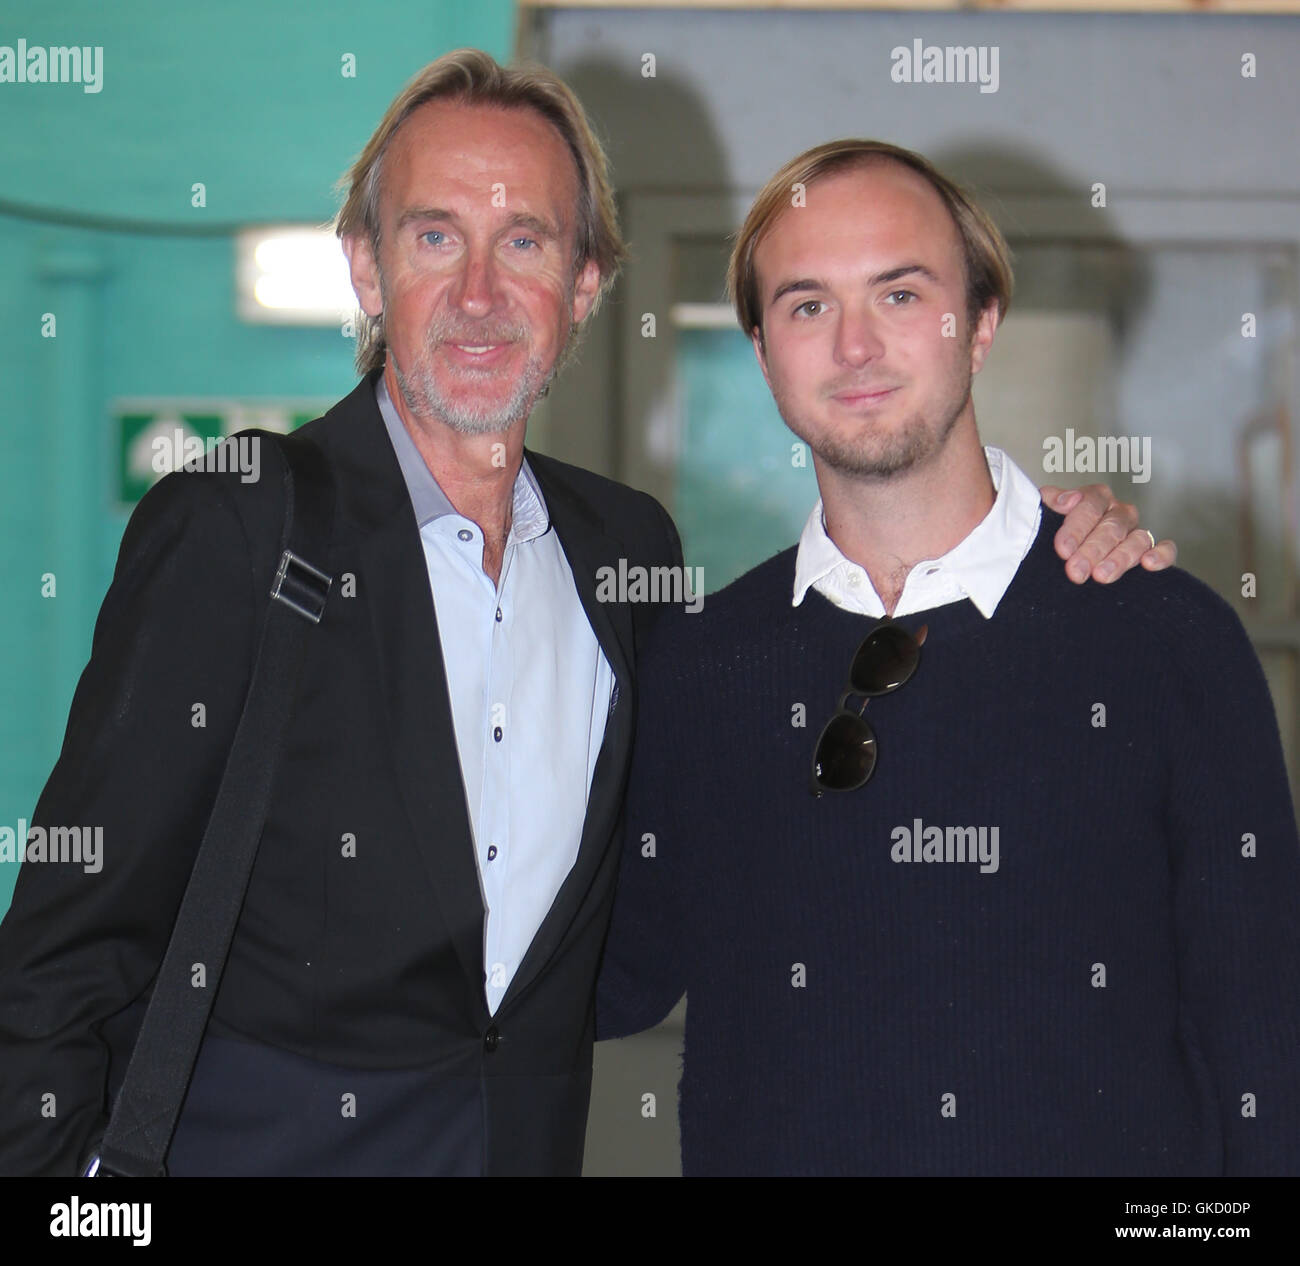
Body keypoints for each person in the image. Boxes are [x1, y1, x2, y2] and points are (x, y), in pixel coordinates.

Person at [0, 53, 1163, 1178]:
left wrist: (1037, 549)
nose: (476, 294)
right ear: (365, 268)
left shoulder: (626, 555)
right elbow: (72, 938)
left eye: (525, 243)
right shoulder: (242, 524)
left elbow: (695, 879)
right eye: (432, 236)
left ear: (584, 285)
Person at [596, 139, 1300, 1176]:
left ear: (978, 323)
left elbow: (1264, 1044)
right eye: (805, 305)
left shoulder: (1165, 640)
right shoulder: (699, 667)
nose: (854, 348)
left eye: (898, 294)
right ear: (759, 351)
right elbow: (606, 979)